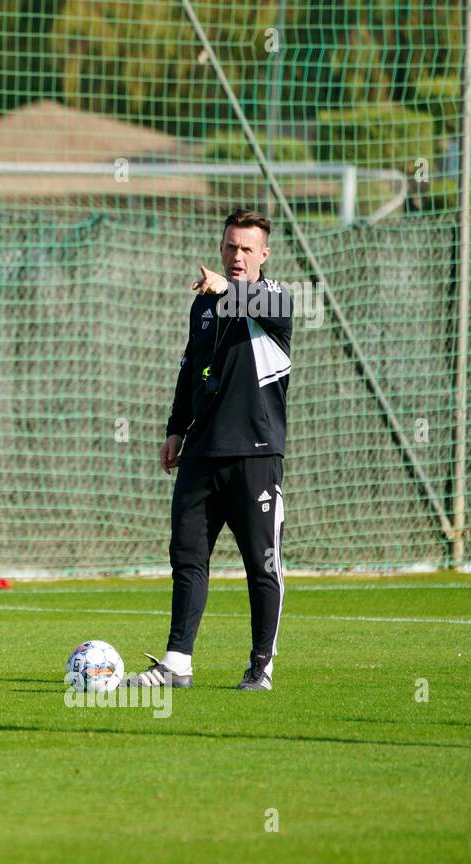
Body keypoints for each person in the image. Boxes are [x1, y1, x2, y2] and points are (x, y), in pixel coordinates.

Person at [127, 208, 292, 692]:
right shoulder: (203, 304)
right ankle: (177, 663)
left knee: (262, 563)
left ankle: (261, 666)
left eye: (247, 248)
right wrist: (176, 429)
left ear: (264, 253)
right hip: (201, 453)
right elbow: (189, 368)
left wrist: (228, 290)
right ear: (221, 248)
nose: (237, 255)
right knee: (187, 556)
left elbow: (264, 305)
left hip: (255, 454)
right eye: (230, 246)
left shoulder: (278, 298)